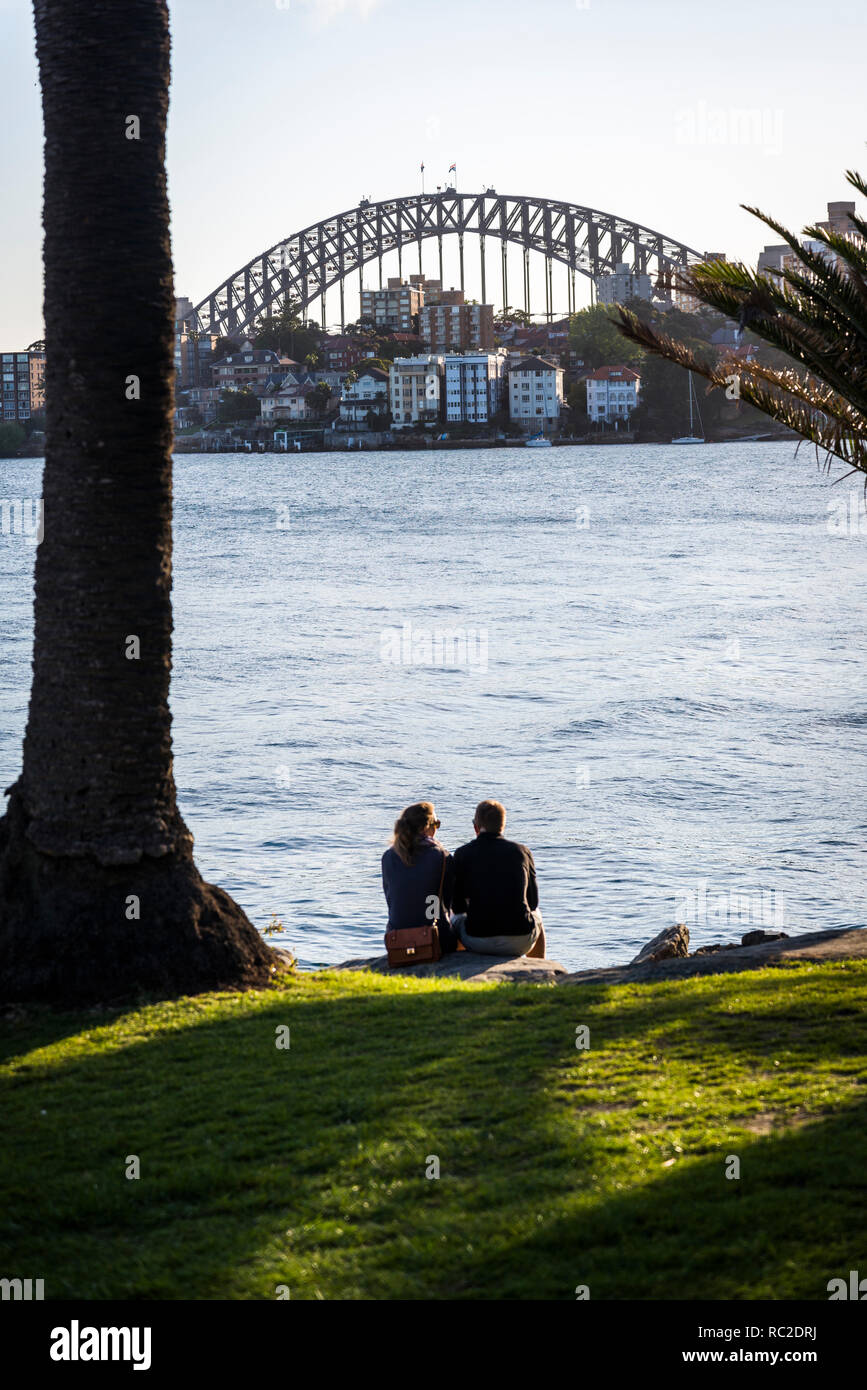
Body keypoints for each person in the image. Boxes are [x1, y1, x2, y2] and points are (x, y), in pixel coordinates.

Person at [451, 799, 546, 958]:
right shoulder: (522, 852)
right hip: (521, 939)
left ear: (476, 827)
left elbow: (458, 906)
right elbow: (533, 902)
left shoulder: (462, 854)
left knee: (454, 918)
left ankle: (463, 962)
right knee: (537, 914)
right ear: (503, 826)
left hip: (476, 939)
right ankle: (541, 968)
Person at [381, 801, 458, 952]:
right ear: (426, 826)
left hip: (396, 938)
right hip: (434, 938)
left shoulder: (388, 856)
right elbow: (447, 902)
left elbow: (391, 900)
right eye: (436, 824)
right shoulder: (441, 856)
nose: (437, 829)